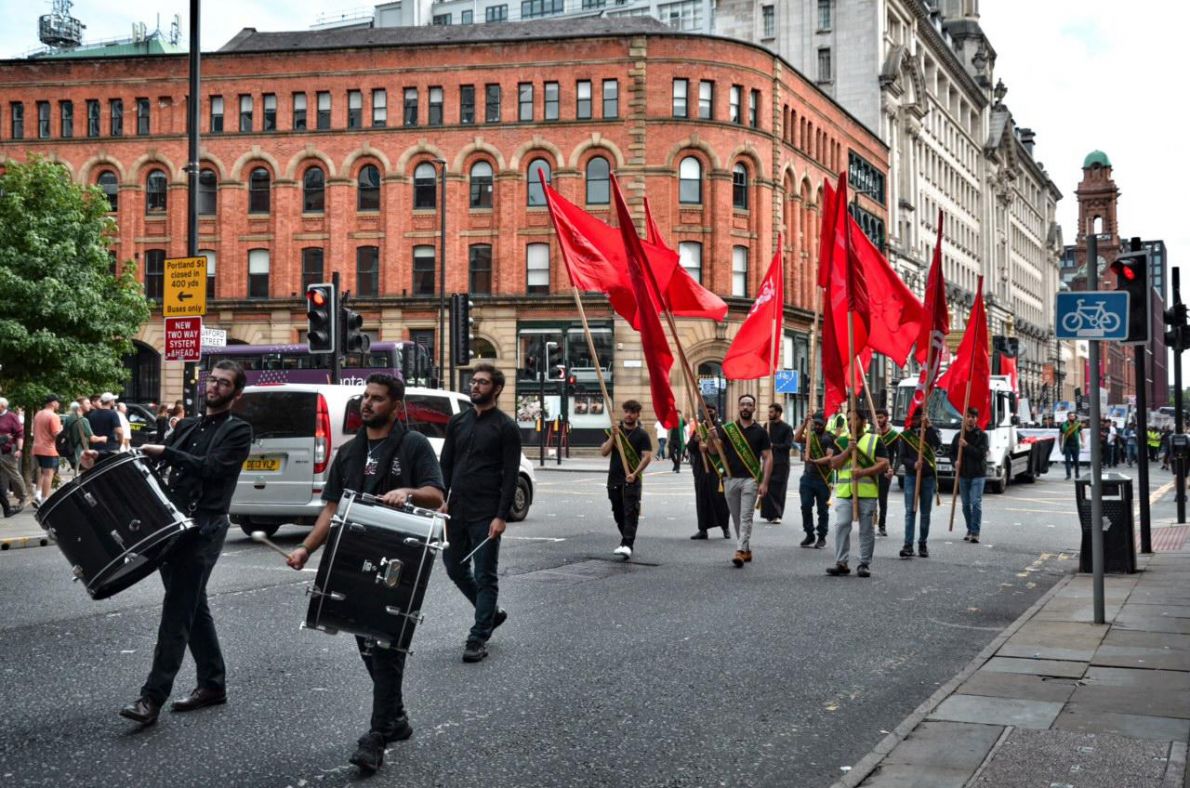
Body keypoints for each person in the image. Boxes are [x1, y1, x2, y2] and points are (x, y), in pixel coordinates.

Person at [287, 373, 444, 774]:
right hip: (352, 556)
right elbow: (332, 507)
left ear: (395, 405)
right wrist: (307, 548)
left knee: (385, 642)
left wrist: (408, 492)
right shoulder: (350, 452)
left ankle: (376, 736)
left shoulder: (413, 444)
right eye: (365, 397)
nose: (367, 404)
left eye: (376, 399)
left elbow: (437, 495)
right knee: (365, 641)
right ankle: (396, 719)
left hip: (397, 558)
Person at [88, 361, 252, 726]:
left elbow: (213, 468)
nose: (215, 387)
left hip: (206, 527)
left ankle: (151, 698)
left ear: (236, 393)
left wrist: (167, 452)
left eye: (224, 384)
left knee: (177, 610)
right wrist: (100, 457)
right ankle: (212, 684)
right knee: (194, 606)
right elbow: (149, 464)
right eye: (213, 381)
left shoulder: (239, 430)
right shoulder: (189, 425)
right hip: (174, 527)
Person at [439, 363, 520, 664]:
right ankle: (491, 613)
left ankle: (478, 637)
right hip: (455, 510)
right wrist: (441, 498)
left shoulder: (506, 427)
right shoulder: (457, 422)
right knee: (454, 567)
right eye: (473, 381)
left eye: (482, 382)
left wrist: (501, 516)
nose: (475, 386)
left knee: (485, 574)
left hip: (486, 512)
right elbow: (446, 464)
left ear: (496, 389)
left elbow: (511, 475)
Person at [826, 409, 889, 578]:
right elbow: (834, 464)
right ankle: (841, 562)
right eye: (847, 419)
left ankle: (864, 564)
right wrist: (848, 451)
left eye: (854, 419)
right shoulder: (841, 441)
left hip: (867, 492)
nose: (850, 422)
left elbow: (883, 464)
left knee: (866, 529)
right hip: (846, 492)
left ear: (863, 421)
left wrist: (863, 472)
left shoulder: (874, 440)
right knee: (841, 525)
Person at [711, 394, 772, 568]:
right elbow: (714, 452)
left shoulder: (760, 432)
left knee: (746, 517)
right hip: (730, 479)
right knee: (737, 517)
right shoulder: (727, 429)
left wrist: (764, 482)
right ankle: (746, 548)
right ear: (738, 407)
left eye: (749, 405)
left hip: (750, 480)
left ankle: (739, 551)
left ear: (754, 408)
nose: (745, 407)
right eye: (743, 404)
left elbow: (768, 457)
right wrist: (712, 437)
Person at [601, 400, 654, 560]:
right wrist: (613, 437)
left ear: (638, 414)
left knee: (630, 512)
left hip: (632, 480)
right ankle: (625, 541)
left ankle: (627, 544)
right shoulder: (616, 432)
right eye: (626, 411)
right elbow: (604, 452)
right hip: (614, 479)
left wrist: (635, 473)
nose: (628, 415)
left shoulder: (642, 435)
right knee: (618, 512)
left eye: (632, 412)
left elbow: (647, 457)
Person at [897, 411, 942, 559]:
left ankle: (922, 543)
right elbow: (902, 457)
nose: (917, 420)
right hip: (911, 476)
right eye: (915, 418)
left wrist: (929, 427)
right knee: (910, 511)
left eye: (920, 417)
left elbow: (937, 444)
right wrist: (913, 464)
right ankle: (908, 545)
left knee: (925, 513)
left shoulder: (932, 431)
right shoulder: (906, 435)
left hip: (927, 477)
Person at [688, 405, 731, 540]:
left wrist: (710, 446)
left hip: (717, 470)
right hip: (701, 470)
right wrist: (695, 442)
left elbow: (726, 448)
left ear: (715, 413)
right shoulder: (699, 429)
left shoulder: (721, 428)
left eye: (710, 411)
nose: (708, 414)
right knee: (702, 500)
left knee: (721, 500)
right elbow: (690, 448)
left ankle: (725, 527)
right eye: (705, 412)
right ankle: (703, 529)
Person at [794, 412, 835, 549]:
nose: (817, 426)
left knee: (822, 509)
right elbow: (797, 438)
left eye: (819, 424)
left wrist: (814, 461)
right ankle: (809, 534)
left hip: (823, 478)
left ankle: (822, 536)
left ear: (825, 423)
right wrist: (805, 423)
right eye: (815, 423)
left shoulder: (828, 438)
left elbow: (829, 457)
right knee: (805, 506)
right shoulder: (810, 436)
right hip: (808, 477)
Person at [950, 407, 989, 543]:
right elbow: (952, 452)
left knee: (975, 503)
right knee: (965, 505)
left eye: (973, 417)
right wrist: (954, 462)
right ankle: (970, 528)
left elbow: (980, 454)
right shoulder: (958, 436)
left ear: (976, 419)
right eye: (968, 416)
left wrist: (966, 446)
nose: (971, 419)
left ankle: (975, 532)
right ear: (964, 418)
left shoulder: (982, 436)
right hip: (963, 474)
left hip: (977, 474)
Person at [760, 403, 794, 523]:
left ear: (779, 413)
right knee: (767, 487)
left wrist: (773, 445)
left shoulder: (787, 428)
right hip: (768, 462)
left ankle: (776, 514)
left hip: (781, 463)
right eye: (769, 412)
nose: (769, 414)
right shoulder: (766, 426)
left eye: (772, 412)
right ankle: (768, 514)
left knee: (778, 489)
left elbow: (787, 445)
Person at [31, 394, 63, 507]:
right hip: (48, 448)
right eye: (58, 402)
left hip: (36, 447)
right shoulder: (53, 416)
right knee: (49, 474)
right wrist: (62, 430)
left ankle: (38, 495)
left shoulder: (38, 414)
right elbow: (56, 434)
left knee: (43, 472)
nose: (59, 404)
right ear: (53, 403)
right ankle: (45, 501)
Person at [873, 407, 900, 537]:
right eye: (877, 417)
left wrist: (893, 470)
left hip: (885, 470)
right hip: (871, 469)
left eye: (881, 417)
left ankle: (882, 525)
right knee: (870, 497)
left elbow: (899, 455)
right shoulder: (870, 433)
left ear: (886, 418)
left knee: (882, 499)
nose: (878, 420)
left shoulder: (893, 435)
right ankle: (871, 521)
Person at [0, 396, 29, 516]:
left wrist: (19, 449)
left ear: (2, 406)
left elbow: (19, 434)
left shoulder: (11, 416)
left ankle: (23, 497)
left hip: (7, 452)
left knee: (14, 474)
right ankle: (7, 507)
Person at [1060, 412, 1083, 479]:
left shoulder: (1078, 424)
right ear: (1068, 417)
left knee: (1076, 460)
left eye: (1073, 416)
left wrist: (1083, 442)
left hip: (1076, 445)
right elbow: (1060, 435)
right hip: (1067, 445)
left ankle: (1077, 474)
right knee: (1067, 460)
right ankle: (1068, 475)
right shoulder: (1063, 425)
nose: (1072, 417)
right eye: (1070, 416)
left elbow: (1081, 433)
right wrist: (1060, 445)